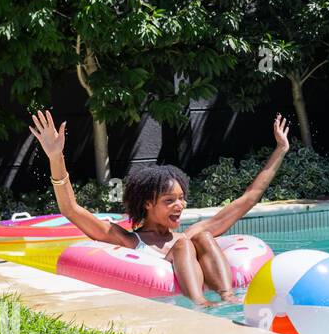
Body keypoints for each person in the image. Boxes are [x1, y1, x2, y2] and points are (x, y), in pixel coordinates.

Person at [27, 109, 291, 305]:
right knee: (183, 244)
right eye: (169, 200)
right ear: (147, 204)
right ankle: (201, 304)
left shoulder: (189, 236)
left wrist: (280, 150)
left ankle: (228, 297)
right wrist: (55, 156)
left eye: (181, 198)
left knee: (201, 236)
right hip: (174, 310)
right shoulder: (131, 241)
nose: (180, 205)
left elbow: (249, 198)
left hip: (220, 299)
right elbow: (71, 210)